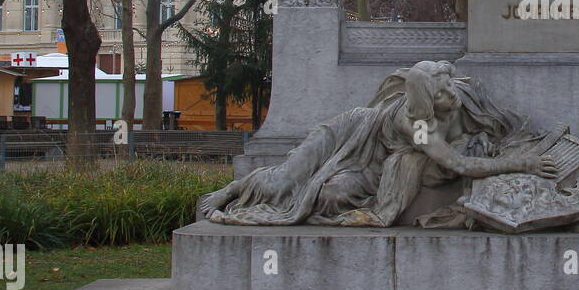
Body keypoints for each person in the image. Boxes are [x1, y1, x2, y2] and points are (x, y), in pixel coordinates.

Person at [199, 61, 556, 227]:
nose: (454, 95)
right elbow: (458, 165)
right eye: (444, 94)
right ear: (428, 105)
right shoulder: (417, 126)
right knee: (286, 180)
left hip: (374, 157)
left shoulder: (461, 92)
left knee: (331, 196)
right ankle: (232, 190)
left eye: (451, 85)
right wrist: (523, 165)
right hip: (348, 134)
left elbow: (507, 125)